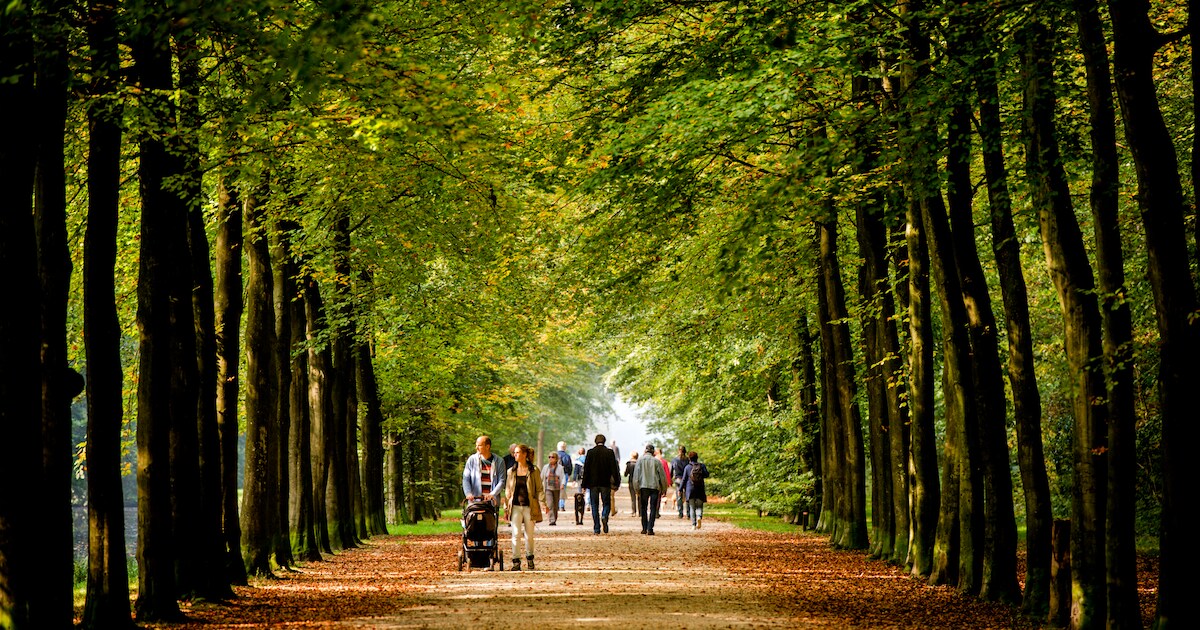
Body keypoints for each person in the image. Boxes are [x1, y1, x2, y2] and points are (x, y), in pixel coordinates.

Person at [505, 444, 543, 571]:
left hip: (529, 507)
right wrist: (506, 507)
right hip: (515, 506)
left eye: (517, 452)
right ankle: (516, 561)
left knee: (529, 535)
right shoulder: (511, 471)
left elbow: (539, 489)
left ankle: (530, 559)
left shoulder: (534, 470)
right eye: (514, 453)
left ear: (524, 454)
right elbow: (508, 490)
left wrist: (543, 503)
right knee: (515, 534)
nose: (515, 455)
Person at [580, 434, 621, 534]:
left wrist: (584, 484)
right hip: (605, 483)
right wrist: (617, 482)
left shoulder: (590, 452)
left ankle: (596, 528)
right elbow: (614, 469)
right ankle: (604, 515)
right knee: (606, 503)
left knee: (594, 505)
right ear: (604, 441)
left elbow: (586, 470)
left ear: (595, 441)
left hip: (593, 483)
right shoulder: (609, 452)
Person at [462, 435, 507, 508]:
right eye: (476, 445)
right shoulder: (472, 460)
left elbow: (501, 481)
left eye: (479, 445)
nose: (476, 448)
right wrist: (468, 493)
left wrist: (492, 494)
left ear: (487, 447)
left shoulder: (499, 461)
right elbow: (466, 479)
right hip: (475, 502)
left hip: (492, 503)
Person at [632, 443, 667, 535]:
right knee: (653, 508)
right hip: (654, 487)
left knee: (643, 507)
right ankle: (650, 528)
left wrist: (636, 489)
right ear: (653, 452)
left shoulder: (640, 461)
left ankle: (644, 528)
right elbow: (662, 476)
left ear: (645, 451)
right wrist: (664, 488)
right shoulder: (657, 462)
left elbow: (636, 476)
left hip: (643, 487)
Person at [682, 451, 709, 530]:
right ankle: (699, 517)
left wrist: (680, 489)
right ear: (697, 458)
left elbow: (684, 479)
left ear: (689, 458)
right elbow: (707, 475)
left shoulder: (687, 467)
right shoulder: (702, 466)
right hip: (700, 488)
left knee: (692, 507)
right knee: (699, 506)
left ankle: (693, 524)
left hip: (690, 489)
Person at [541, 451, 567, 526]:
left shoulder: (560, 468)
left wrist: (562, 484)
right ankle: (551, 520)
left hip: (557, 488)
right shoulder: (545, 467)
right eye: (549, 457)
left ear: (556, 459)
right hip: (548, 488)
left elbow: (563, 477)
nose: (551, 458)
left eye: (552, 457)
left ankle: (554, 518)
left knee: (555, 505)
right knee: (550, 504)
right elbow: (541, 477)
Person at [670, 445, 690, 519]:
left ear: (678, 451)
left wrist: (671, 479)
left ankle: (680, 513)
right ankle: (688, 513)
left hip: (678, 479)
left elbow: (671, 471)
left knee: (679, 496)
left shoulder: (674, 460)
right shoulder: (688, 460)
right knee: (687, 496)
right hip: (687, 479)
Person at [556, 441, 573, 510]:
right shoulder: (567, 456)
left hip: (555, 474)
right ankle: (561, 505)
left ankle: (556, 505)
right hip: (564, 474)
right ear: (565, 447)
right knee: (563, 489)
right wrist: (569, 474)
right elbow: (569, 466)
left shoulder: (554, 455)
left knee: (555, 489)